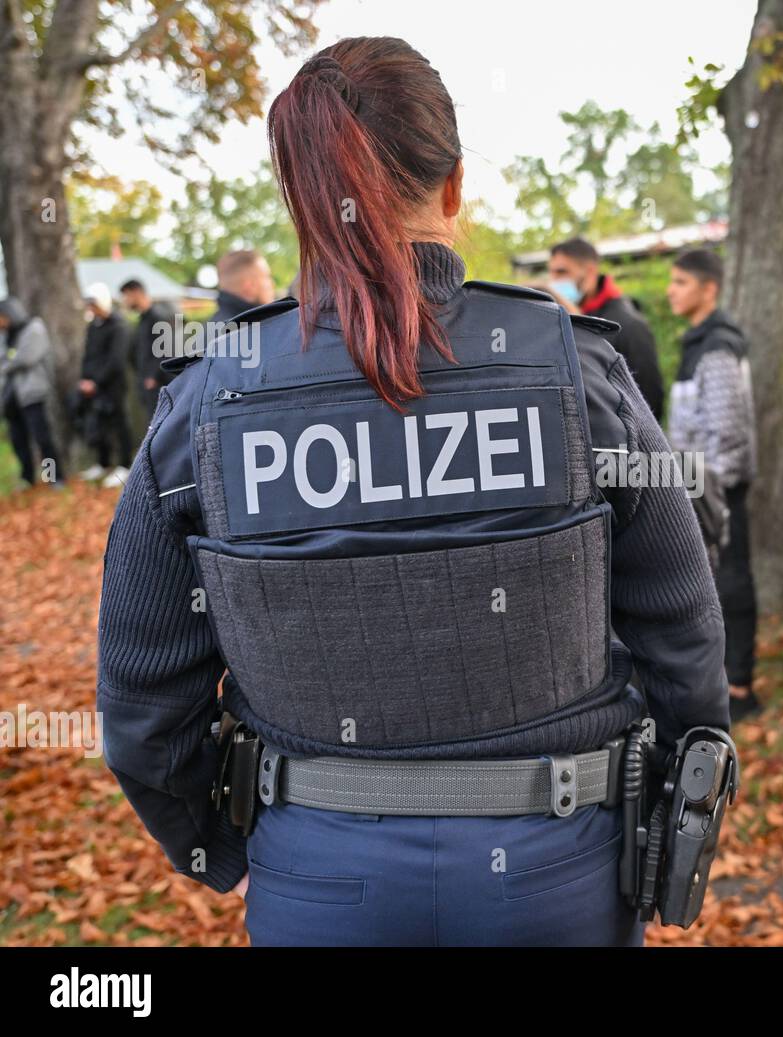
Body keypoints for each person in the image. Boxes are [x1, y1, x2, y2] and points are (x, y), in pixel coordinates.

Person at [96, 37, 729, 948]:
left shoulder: (207, 401)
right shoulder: (576, 373)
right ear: (456, 184)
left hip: (321, 872)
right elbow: (685, 637)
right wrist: (666, 816)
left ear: (301, 200)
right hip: (557, 870)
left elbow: (143, 703)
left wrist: (225, 847)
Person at [665, 249, 759, 720]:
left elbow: (727, 432)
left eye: (681, 282)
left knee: (732, 582)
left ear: (709, 289)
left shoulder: (718, 345)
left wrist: (709, 497)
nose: (670, 290)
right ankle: (724, 677)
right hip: (697, 489)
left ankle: (741, 685)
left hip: (717, 493)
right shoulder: (697, 341)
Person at [548, 238, 664, 419]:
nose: (554, 281)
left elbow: (650, 400)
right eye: (552, 273)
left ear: (590, 271)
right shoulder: (567, 320)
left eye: (562, 272)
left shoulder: (628, 325)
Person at [0, 297, 63, 487]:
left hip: (33, 394)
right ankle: (27, 478)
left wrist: (7, 364)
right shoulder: (5, 335)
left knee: (42, 439)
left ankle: (54, 477)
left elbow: (26, 358)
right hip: (11, 397)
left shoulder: (34, 328)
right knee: (18, 440)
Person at [76, 283, 133, 488]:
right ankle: (102, 463)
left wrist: (96, 381)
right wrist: (85, 379)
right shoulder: (93, 326)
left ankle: (125, 465)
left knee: (120, 424)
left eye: (93, 304)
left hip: (113, 386)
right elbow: (88, 355)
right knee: (98, 424)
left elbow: (116, 360)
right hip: (93, 387)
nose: (91, 309)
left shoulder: (119, 325)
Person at [119, 279, 178, 424]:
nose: (125, 301)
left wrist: (153, 376)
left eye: (126, 296)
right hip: (146, 385)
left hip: (158, 385)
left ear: (136, 293)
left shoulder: (158, 317)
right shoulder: (143, 320)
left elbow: (167, 349)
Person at [212, 249, 276, 324]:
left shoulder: (212, 329)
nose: (272, 284)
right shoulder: (258, 330)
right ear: (250, 286)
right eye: (267, 277)